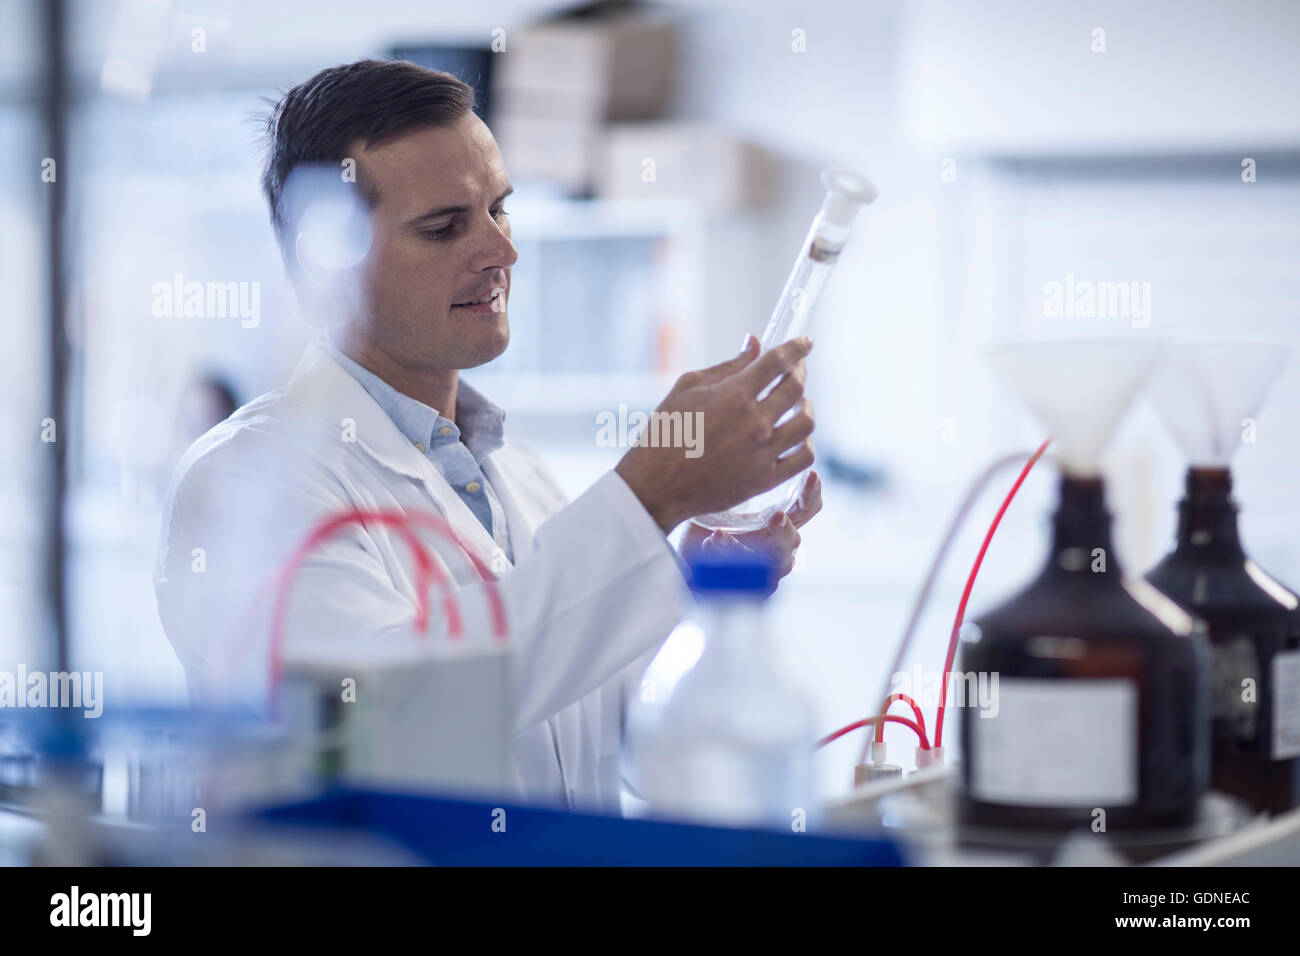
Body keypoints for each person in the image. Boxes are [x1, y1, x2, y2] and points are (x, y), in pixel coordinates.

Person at [153, 59, 821, 813]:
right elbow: (385, 731)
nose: (500, 252)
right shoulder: (249, 481)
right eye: (444, 227)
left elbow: (610, 737)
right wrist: (647, 499)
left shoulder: (519, 478)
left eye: (500, 210)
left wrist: (694, 585)